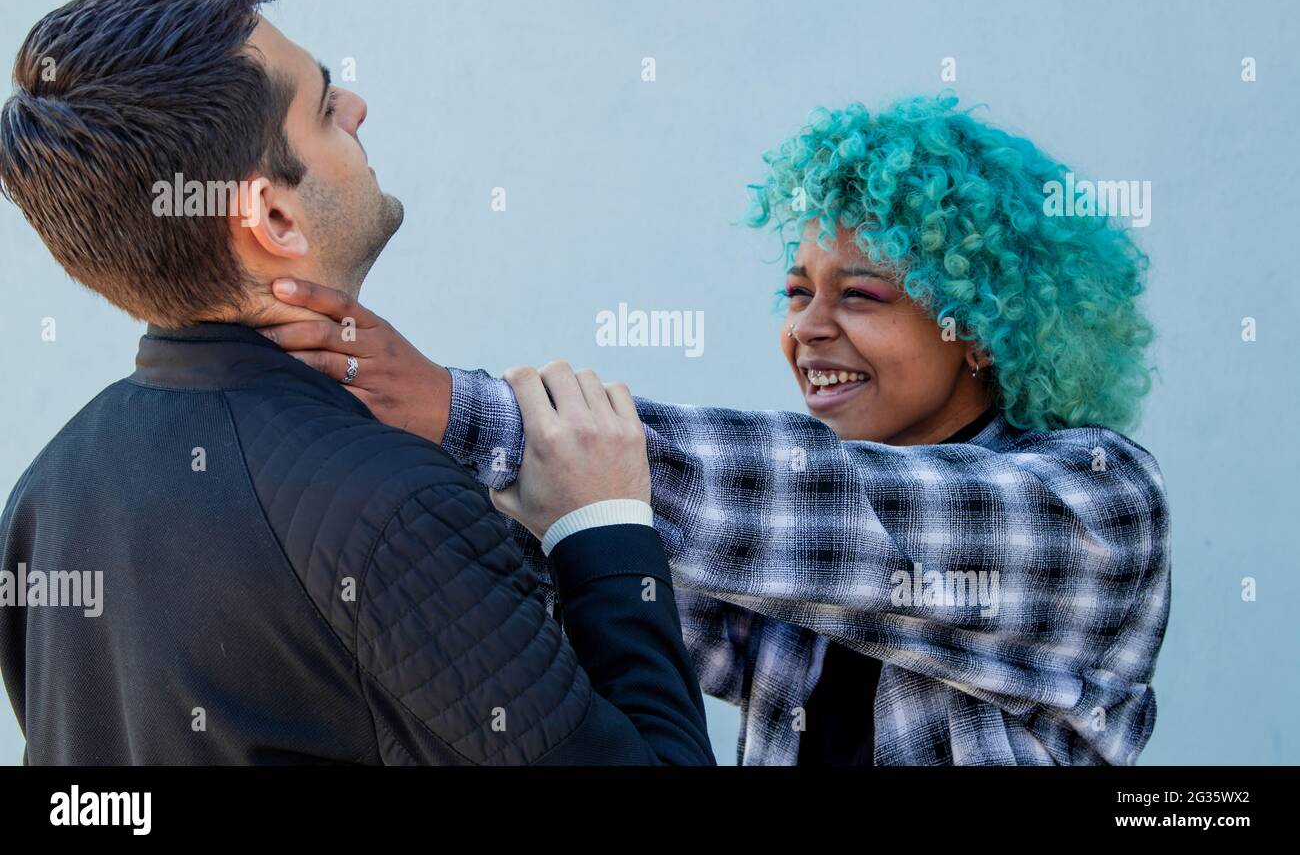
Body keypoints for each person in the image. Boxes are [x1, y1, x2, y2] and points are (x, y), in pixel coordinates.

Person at [261, 95, 1172, 765]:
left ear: (977, 329)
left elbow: (824, 506)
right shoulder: (797, 567)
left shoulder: (1099, 502)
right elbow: (619, 585)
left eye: (860, 295)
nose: (809, 328)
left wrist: (460, 409)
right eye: (795, 292)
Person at [0, 0, 714, 765]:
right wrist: (605, 527)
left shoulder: (46, 498)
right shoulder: (394, 510)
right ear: (272, 218)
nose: (358, 109)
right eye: (324, 104)